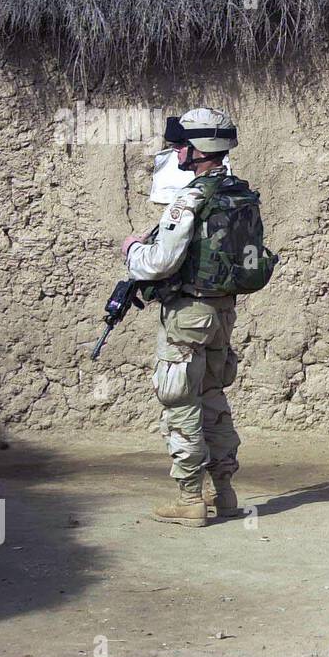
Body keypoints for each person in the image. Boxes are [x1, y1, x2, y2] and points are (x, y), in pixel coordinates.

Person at [122, 107, 275, 527]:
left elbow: (158, 262)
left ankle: (190, 499)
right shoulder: (241, 195)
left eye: (181, 145)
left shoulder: (189, 199)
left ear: (196, 150)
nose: (176, 152)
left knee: (180, 401)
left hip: (189, 315)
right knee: (212, 397)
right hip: (223, 312)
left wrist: (132, 249)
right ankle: (224, 493)